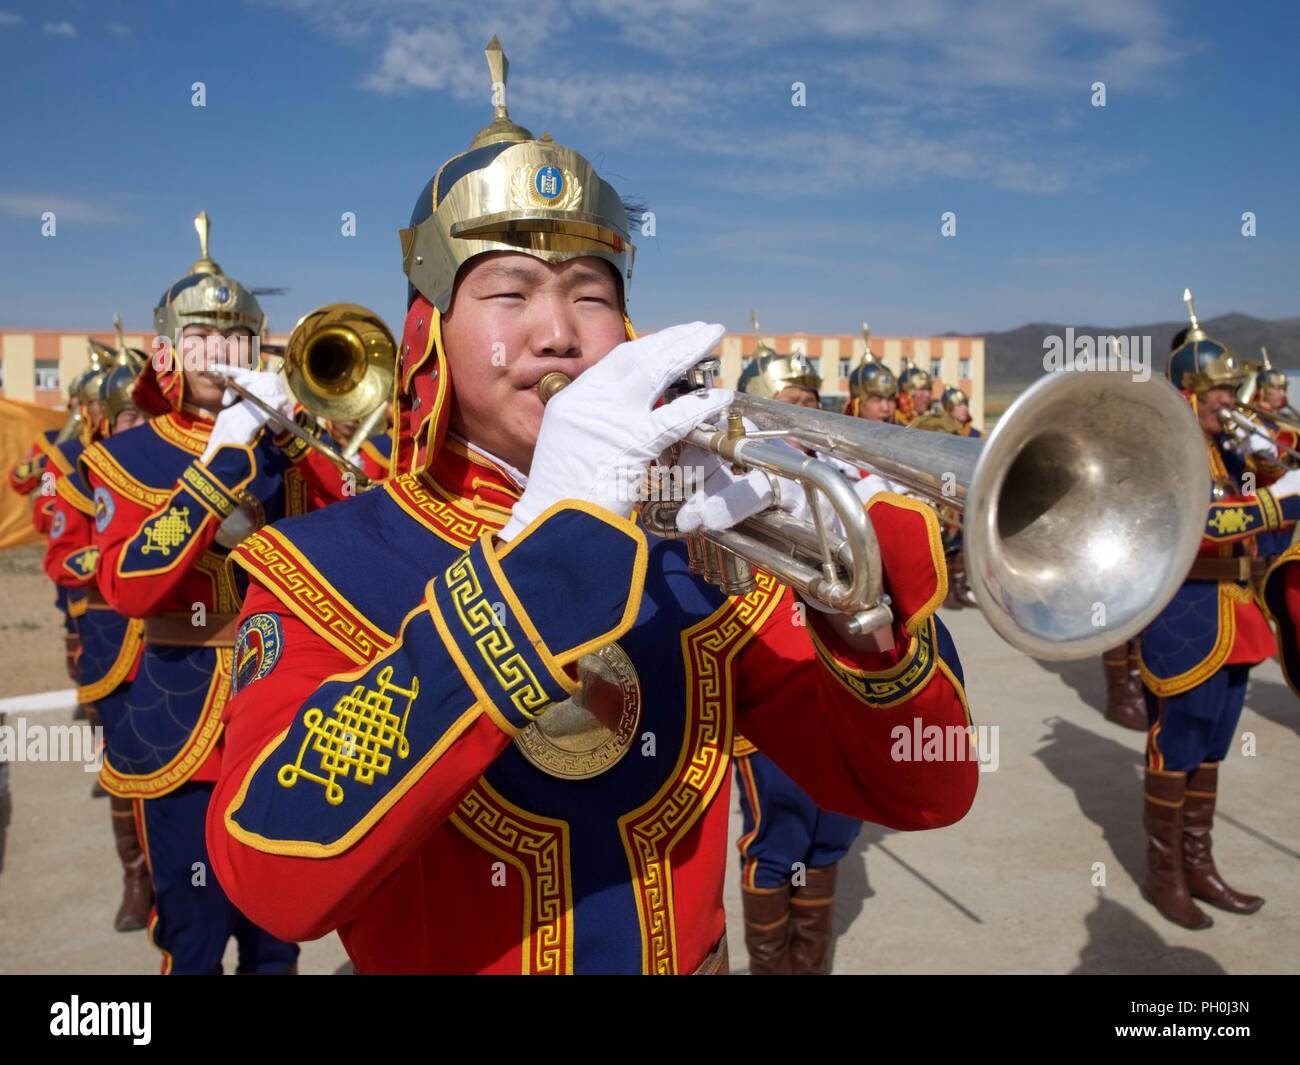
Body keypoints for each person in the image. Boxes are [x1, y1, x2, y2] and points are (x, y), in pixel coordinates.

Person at [204, 37, 977, 976]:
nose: (560, 333)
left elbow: (923, 787)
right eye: (509, 291)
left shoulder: (700, 551)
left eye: (591, 293)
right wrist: (541, 559)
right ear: (430, 334)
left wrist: (860, 612)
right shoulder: (330, 562)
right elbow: (271, 870)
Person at [80, 212, 303, 974]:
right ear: (170, 350)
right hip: (179, 722)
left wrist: (296, 439)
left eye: (238, 336)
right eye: (204, 336)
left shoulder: (287, 451)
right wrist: (213, 472)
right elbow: (129, 586)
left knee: (279, 932)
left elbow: (349, 537)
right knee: (195, 931)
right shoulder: (127, 457)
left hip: (282, 714)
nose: (223, 352)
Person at [1137, 295, 1300, 929]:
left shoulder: (1229, 449)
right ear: (1187, 393)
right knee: (1175, 744)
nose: (1229, 402)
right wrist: (1280, 502)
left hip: (1236, 612)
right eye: (1219, 393)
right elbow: (1200, 521)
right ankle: (1164, 874)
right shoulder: (1165, 449)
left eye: (1232, 391)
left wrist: (1269, 461)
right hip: (1184, 613)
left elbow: (1258, 486)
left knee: (1213, 746)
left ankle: (1199, 864)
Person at [731, 338, 863, 974]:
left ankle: (809, 963)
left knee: (833, 832)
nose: (805, 413)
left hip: (843, 682)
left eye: (811, 401)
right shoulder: (728, 478)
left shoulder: (849, 478)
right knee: (778, 834)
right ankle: (770, 966)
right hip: (774, 684)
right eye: (789, 403)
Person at [45, 354, 153, 930]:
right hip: (113, 637)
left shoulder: (172, 466)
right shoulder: (79, 470)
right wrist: (122, 561)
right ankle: (135, 876)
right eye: (128, 417)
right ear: (107, 421)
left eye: (146, 415)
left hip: (178, 645)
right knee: (125, 766)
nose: (138, 427)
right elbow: (61, 558)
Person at [894, 356, 933, 426]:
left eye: (929, 389)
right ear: (907, 394)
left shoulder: (934, 422)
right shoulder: (893, 421)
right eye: (922, 389)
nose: (928, 395)